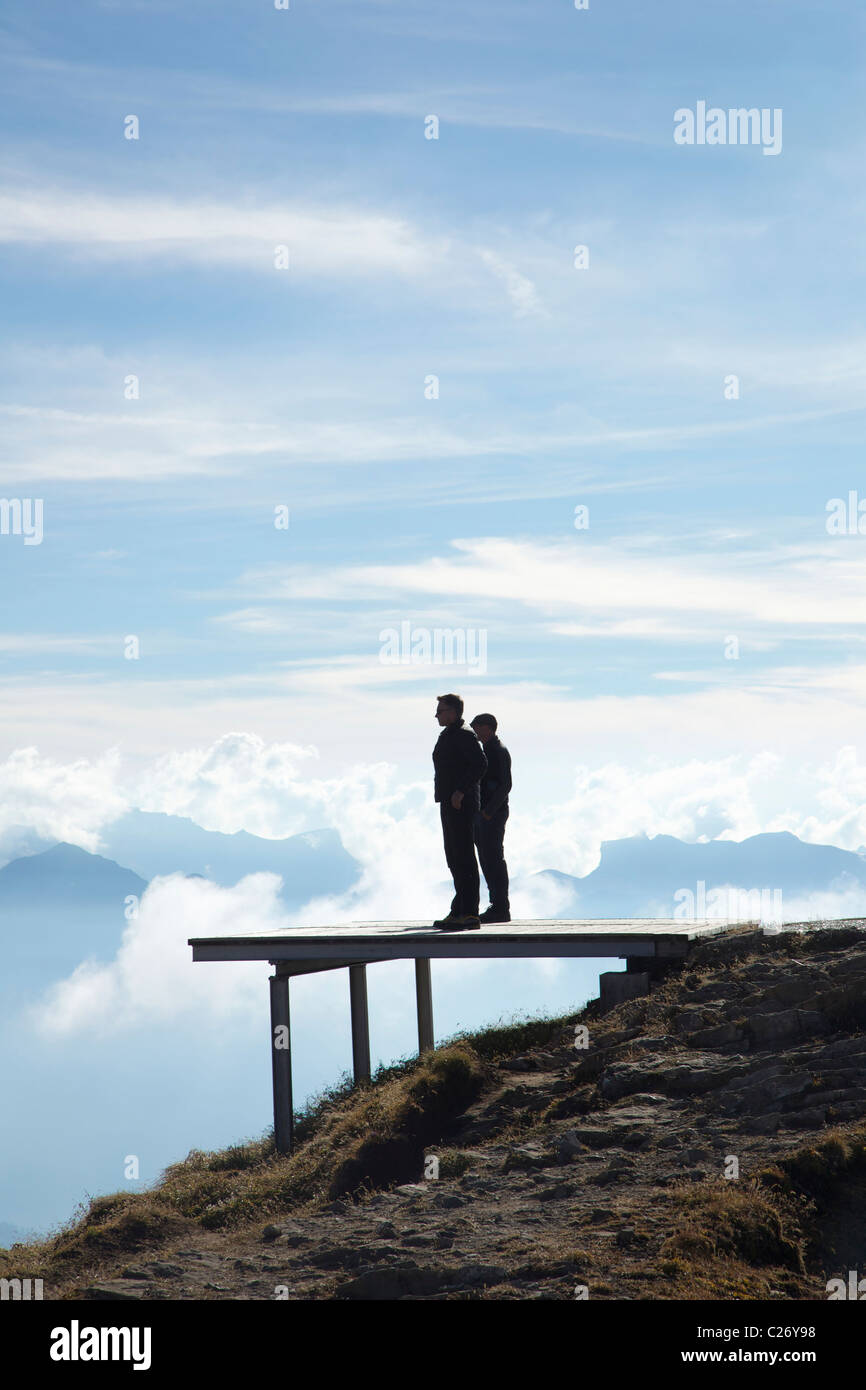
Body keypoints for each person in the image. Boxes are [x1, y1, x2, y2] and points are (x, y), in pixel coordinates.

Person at [431, 693, 487, 929]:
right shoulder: (449, 734)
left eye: (440, 710)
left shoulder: (464, 735)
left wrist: (460, 792)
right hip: (449, 802)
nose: (436, 715)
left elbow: (480, 764)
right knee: (453, 856)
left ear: (453, 712)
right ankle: (459, 909)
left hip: (461, 804)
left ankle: (470, 913)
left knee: (463, 855)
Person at [469, 713, 511, 923]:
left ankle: (500, 907)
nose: (474, 731)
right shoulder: (489, 749)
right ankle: (497, 905)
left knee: (493, 858)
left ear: (487, 728)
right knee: (486, 858)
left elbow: (506, 784)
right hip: (485, 814)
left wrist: (488, 811)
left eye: (476, 727)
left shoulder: (497, 750)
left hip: (492, 814)